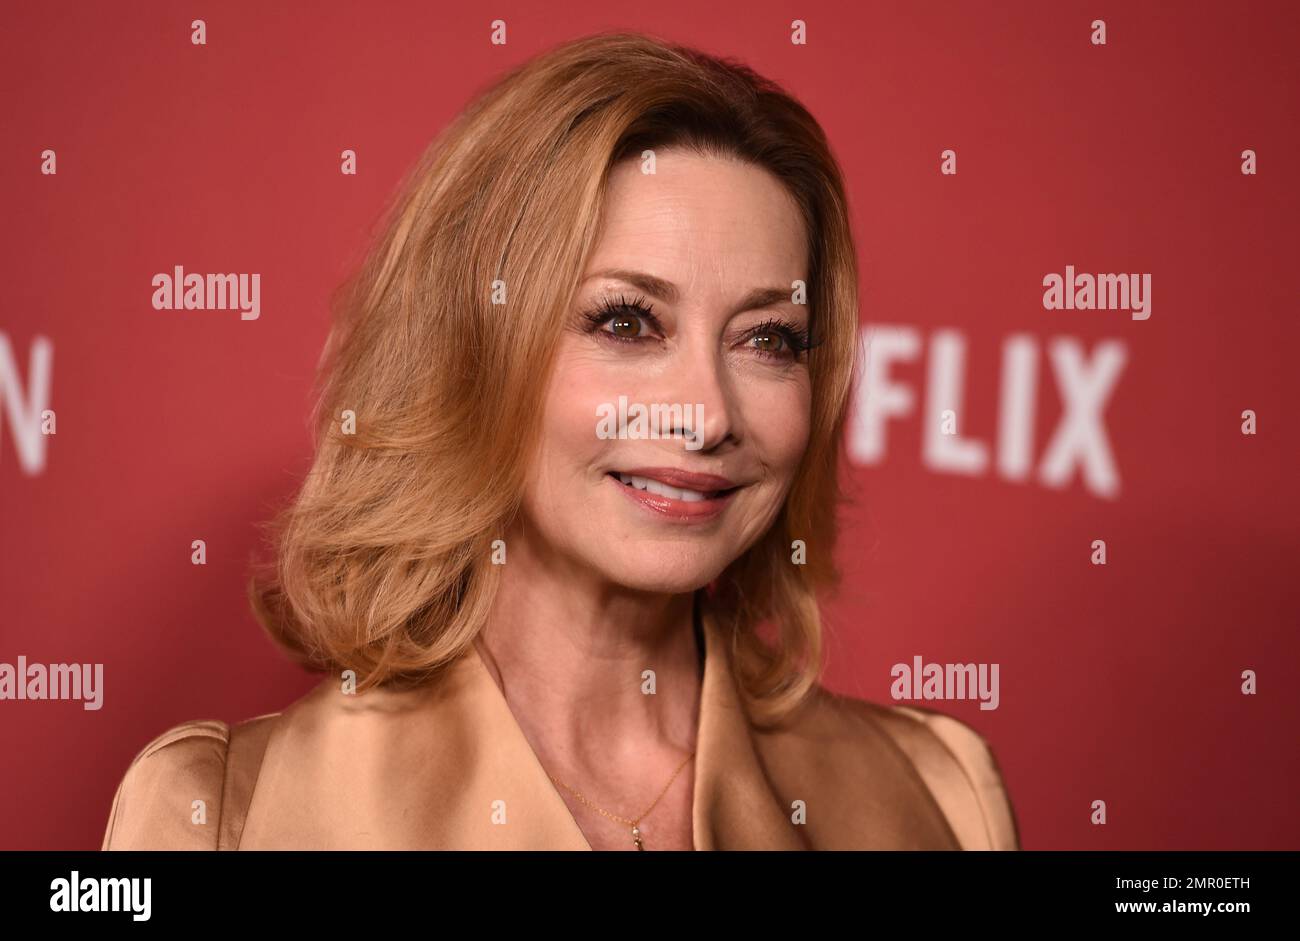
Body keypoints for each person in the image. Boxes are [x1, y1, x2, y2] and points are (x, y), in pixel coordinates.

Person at [101, 31, 1019, 851]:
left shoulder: (940, 799)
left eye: (768, 339)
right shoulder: (220, 818)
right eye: (627, 322)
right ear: (473, 349)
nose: (705, 416)